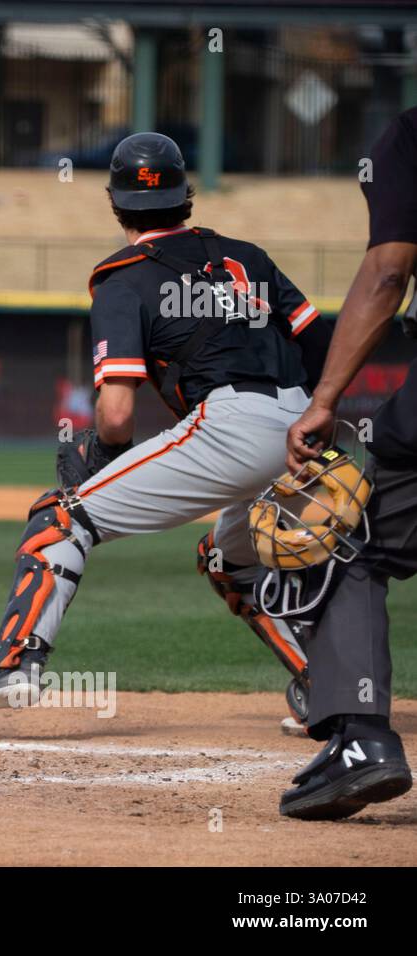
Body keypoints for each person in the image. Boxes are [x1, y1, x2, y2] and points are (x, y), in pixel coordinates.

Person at [0, 132, 333, 734]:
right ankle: (328, 685)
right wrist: (322, 421)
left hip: (230, 426)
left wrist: (101, 453)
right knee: (229, 557)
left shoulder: (122, 278)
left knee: (59, 519)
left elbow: (116, 414)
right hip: (303, 425)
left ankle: (14, 663)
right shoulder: (248, 255)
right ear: (186, 197)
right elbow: (322, 345)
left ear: (116, 204)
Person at [268, 107, 417, 820]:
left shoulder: (410, 135)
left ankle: (363, 738)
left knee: (339, 530)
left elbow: (389, 271)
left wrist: (324, 398)